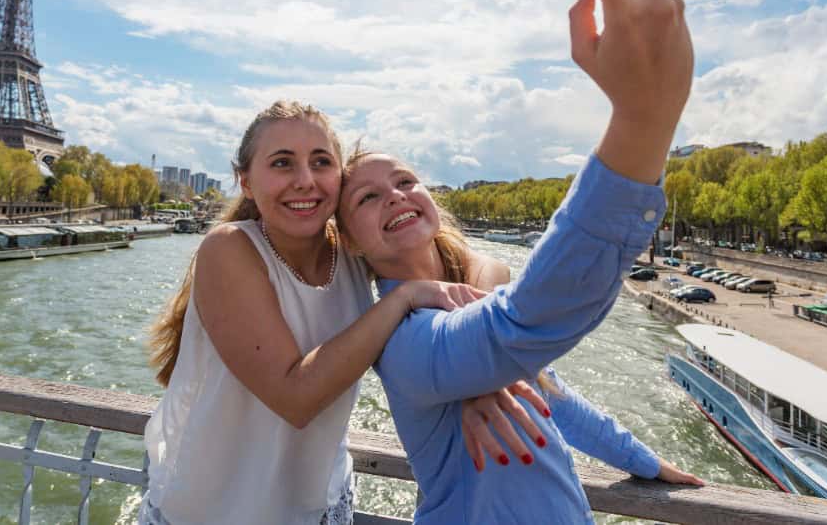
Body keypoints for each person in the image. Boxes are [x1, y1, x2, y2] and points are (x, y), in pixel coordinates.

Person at [335, 0, 698, 524]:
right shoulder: (404, 344)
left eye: (404, 181)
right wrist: (643, 120)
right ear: (350, 243)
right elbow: (528, 320)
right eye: (367, 199)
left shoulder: (467, 321)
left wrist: (642, 460)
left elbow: (553, 396)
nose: (394, 196)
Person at [139, 101, 550, 525]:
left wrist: (483, 373)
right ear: (245, 181)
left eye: (321, 162)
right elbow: (295, 399)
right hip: (209, 513)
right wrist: (403, 299)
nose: (305, 180)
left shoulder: (351, 249)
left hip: (324, 506)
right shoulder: (229, 248)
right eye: (282, 163)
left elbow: (482, 265)